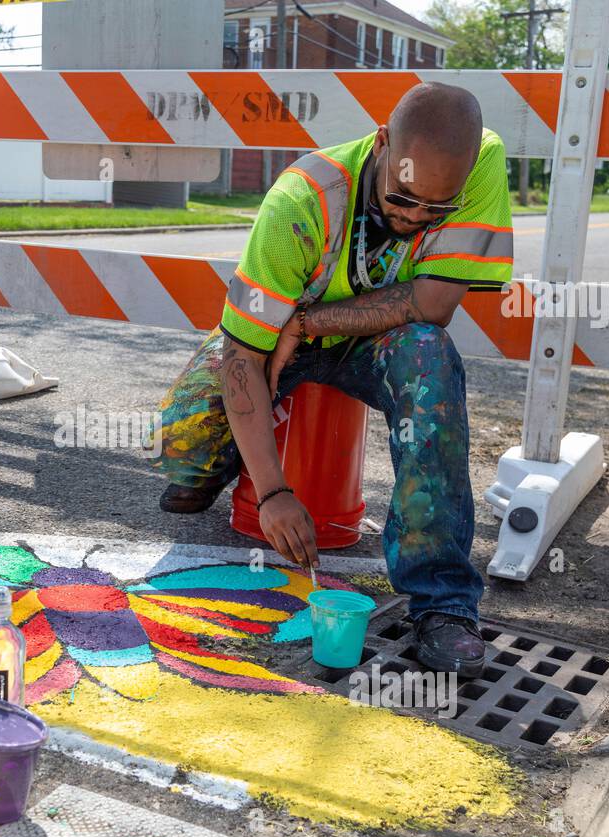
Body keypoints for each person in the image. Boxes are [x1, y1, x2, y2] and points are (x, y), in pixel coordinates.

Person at [152, 82, 512, 678]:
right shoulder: (300, 199)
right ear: (380, 144)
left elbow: (435, 302)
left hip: (370, 338)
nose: (413, 217)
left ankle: (443, 604)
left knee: (432, 361)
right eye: (402, 196)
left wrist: (312, 320)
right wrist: (273, 494)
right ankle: (226, 465)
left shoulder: (479, 161)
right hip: (271, 340)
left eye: (435, 210)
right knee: (181, 457)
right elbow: (243, 357)